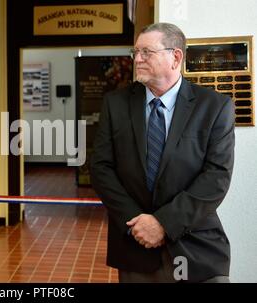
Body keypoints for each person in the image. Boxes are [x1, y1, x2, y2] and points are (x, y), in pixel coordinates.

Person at [90, 23, 234, 283]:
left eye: (146, 52)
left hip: (197, 248)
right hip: (136, 247)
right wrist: (138, 223)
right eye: (135, 52)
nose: (137, 59)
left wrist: (164, 224)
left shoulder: (214, 107)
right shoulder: (116, 104)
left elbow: (217, 177)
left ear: (175, 57)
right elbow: (101, 169)